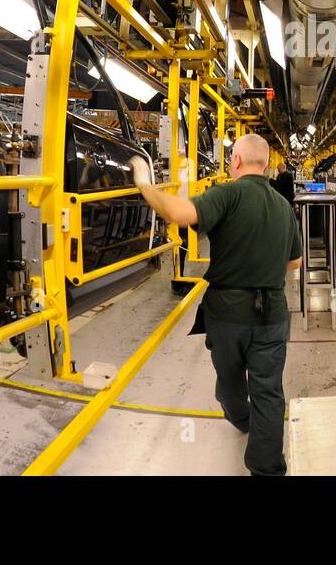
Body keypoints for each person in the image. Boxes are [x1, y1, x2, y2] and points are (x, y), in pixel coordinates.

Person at [129, 133, 302, 476]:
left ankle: (242, 419)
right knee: (269, 391)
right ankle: (267, 469)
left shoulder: (228, 193)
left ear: (236, 162)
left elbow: (179, 213)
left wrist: (144, 183)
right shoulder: (283, 205)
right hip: (272, 314)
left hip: (229, 313)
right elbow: (294, 262)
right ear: (266, 164)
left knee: (229, 382)